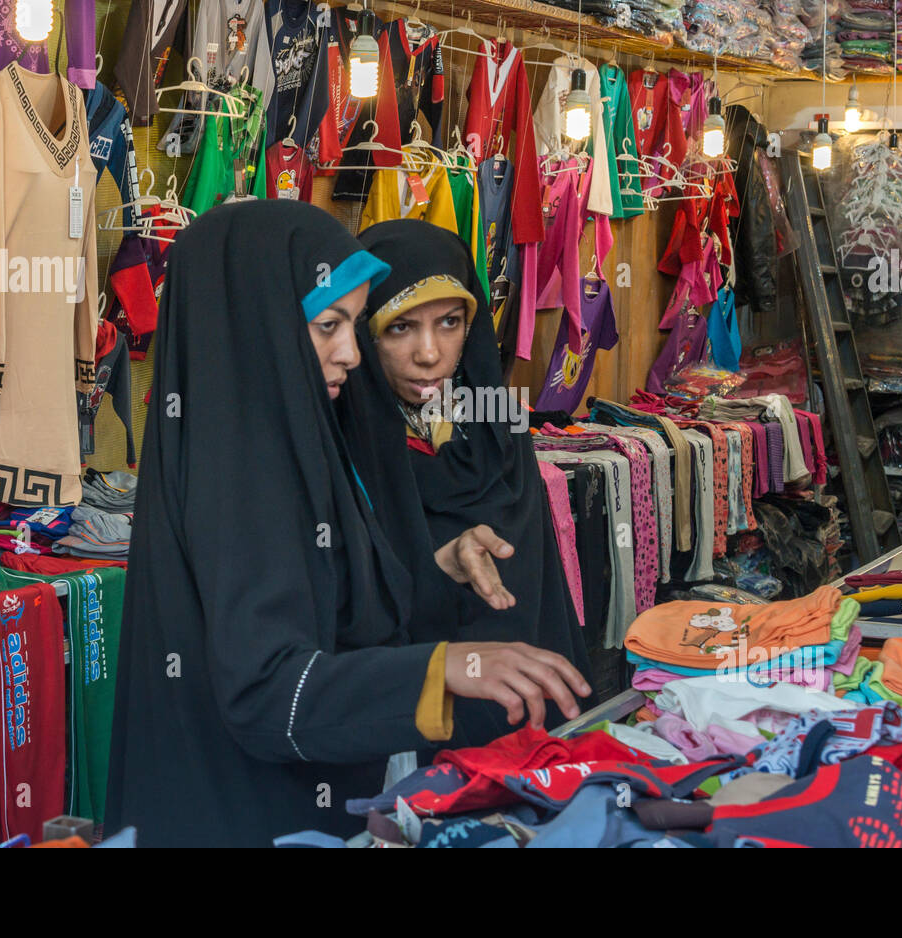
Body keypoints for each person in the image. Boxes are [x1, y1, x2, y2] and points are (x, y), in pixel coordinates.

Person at [105, 201, 590, 847]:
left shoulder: (273, 442)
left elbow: (320, 604)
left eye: (354, 326)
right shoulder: (245, 466)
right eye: (329, 325)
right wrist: (444, 668)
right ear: (261, 322)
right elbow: (266, 692)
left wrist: (437, 567)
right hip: (248, 818)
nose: (352, 354)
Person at [341, 219, 593, 746]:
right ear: (363, 329)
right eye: (400, 327)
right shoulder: (342, 439)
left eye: (450, 322)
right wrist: (433, 567)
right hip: (398, 716)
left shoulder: (499, 428)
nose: (430, 353)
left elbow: (535, 587)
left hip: (520, 703)